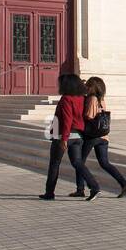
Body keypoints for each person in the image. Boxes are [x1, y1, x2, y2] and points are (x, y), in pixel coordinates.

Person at [41, 73, 99, 201]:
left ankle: (49, 193)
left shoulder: (66, 99)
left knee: (54, 164)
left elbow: (67, 120)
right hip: (78, 136)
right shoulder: (82, 98)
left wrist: (64, 139)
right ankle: (94, 186)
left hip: (63, 135)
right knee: (78, 163)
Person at [73, 77, 126, 199]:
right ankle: (124, 183)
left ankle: (80, 189)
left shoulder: (92, 98)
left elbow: (89, 116)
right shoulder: (102, 99)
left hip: (92, 136)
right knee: (105, 163)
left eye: (88, 86)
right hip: (104, 136)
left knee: (80, 162)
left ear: (92, 87)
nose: (86, 88)